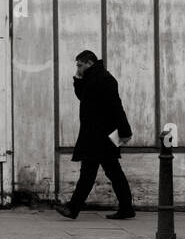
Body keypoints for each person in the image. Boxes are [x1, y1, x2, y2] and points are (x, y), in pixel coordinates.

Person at [55, 50, 135, 220]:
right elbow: (82, 97)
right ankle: (126, 208)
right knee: (112, 172)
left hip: (101, 135)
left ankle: (73, 208)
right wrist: (77, 79)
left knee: (90, 173)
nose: (78, 68)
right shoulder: (92, 78)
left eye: (80, 65)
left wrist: (125, 131)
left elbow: (116, 106)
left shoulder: (105, 80)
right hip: (96, 134)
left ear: (89, 63)